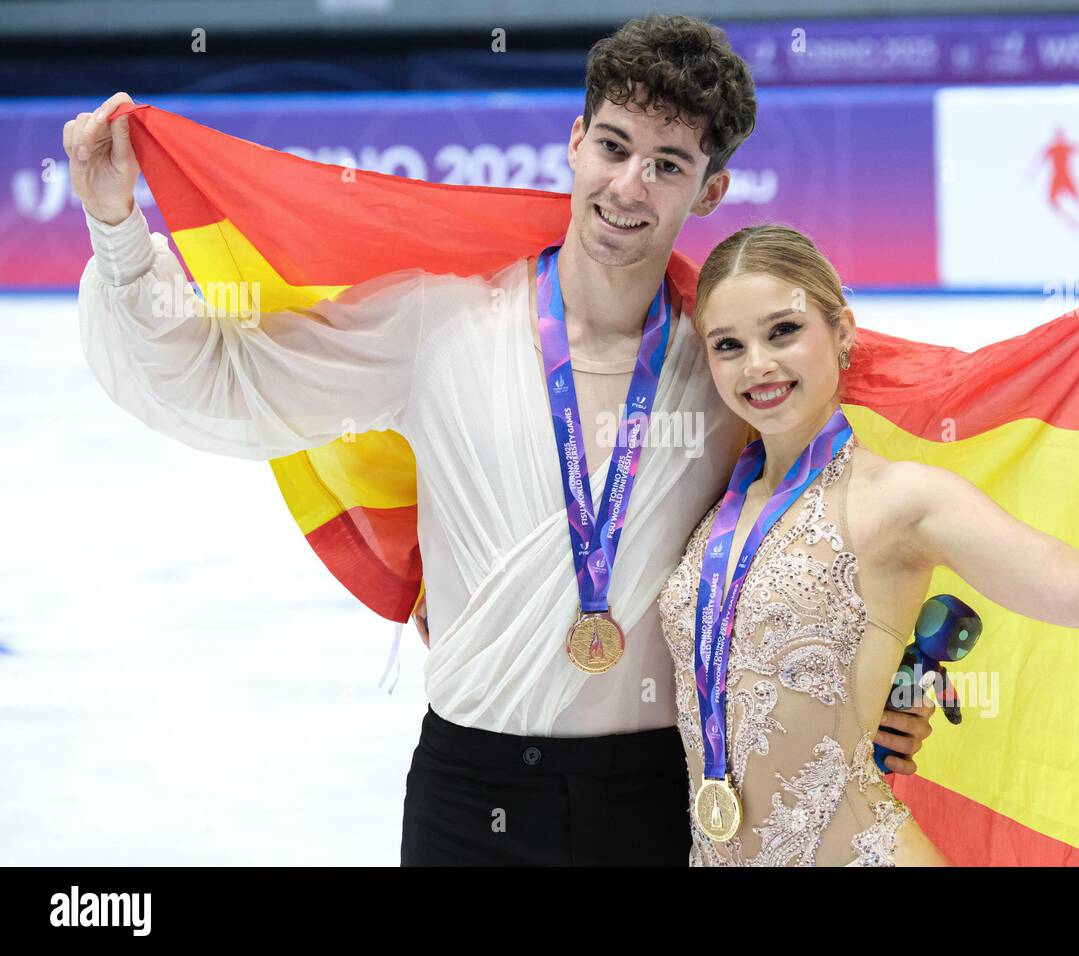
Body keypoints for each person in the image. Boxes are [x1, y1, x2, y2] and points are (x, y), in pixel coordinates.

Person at [67, 14, 937, 866]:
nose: (630, 185)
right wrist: (117, 232)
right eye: (614, 146)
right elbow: (223, 379)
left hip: (655, 800)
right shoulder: (437, 320)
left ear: (709, 192)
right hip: (464, 790)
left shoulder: (732, 371)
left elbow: (853, 519)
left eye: (667, 165)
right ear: (574, 142)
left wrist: (891, 681)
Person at [656, 224, 1079, 865]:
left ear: (842, 332)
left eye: (783, 332)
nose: (757, 364)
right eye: (728, 345)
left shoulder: (903, 499)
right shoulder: (715, 498)